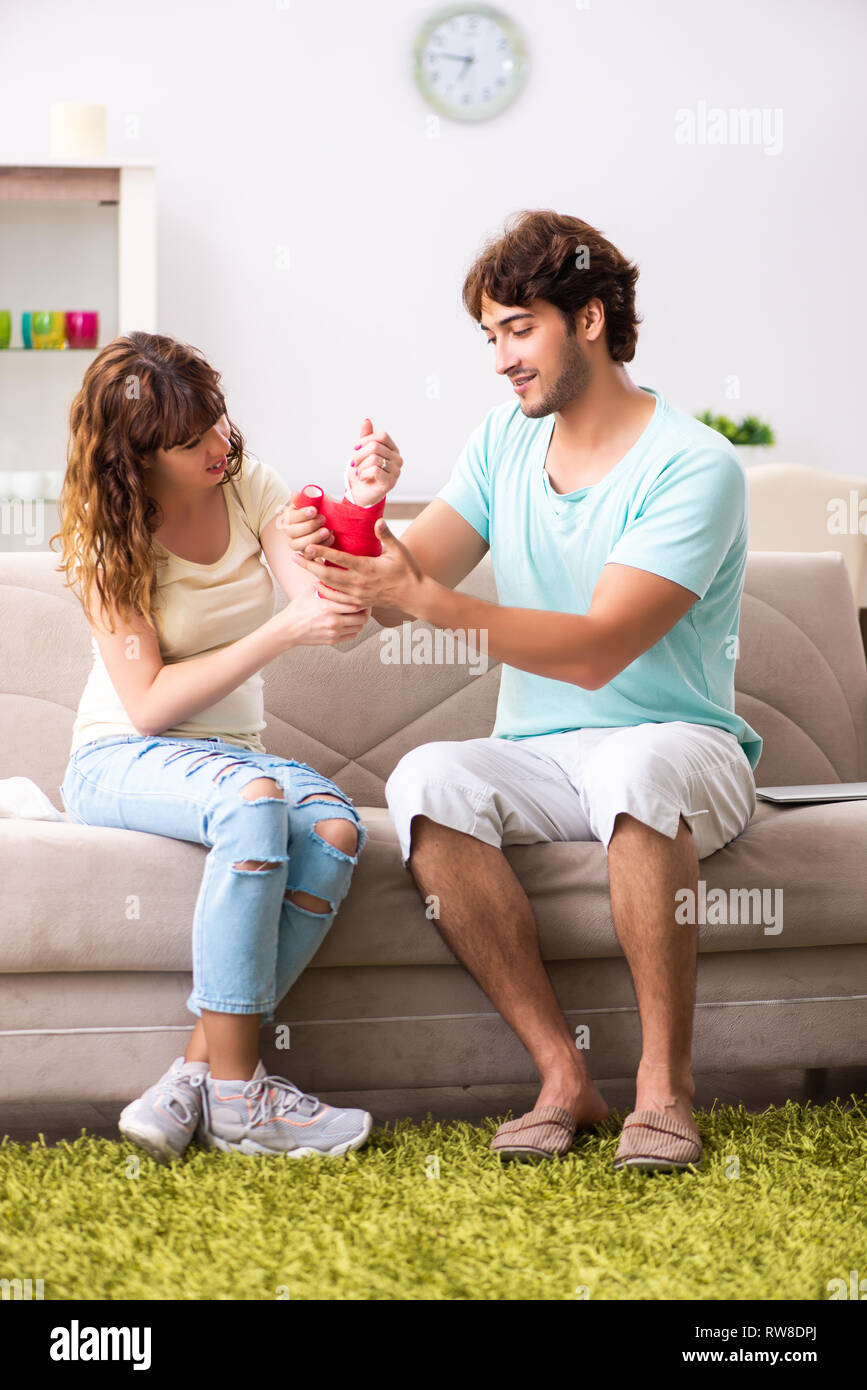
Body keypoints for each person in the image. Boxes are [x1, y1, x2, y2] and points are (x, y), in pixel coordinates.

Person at [283, 208, 763, 1173]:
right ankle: (562, 1078)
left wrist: (421, 596)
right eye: (490, 334)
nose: (501, 357)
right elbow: (403, 586)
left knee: (633, 761)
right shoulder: (505, 440)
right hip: (544, 754)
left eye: (519, 328)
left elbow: (597, 653)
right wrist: (358, 516)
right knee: (426, 778)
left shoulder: (693, 464)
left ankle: (664, 1090)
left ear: (588, 319)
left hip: (678, 743)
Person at [51, 331, 402, 1163]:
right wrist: (281, 633)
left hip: (229, 758)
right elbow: (145, 706)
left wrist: (359, 511)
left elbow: (328, 614)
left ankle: (191, 1078)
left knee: (334, 831)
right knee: (256, 805)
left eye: (217, 421)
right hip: (120, 759)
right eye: (190, 440)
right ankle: (243, 1100)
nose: (219, 445)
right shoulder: (106, 541)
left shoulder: (249, 484)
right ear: (135, 458)